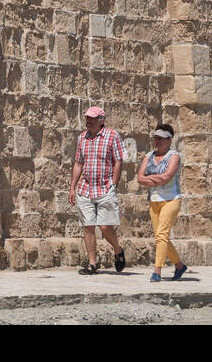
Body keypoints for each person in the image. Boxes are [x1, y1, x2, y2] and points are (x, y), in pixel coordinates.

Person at [68, 106, 127, 275]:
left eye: (92, 118)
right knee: (88, 226)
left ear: (101, 121)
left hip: (105, 188)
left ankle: (117, 250)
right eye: (87, 118)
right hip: (86, 189)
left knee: (105, 226)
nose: (88, 121)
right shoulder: (82, 138)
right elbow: (78, 163)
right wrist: (72, 187)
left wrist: (113, 184)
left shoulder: (112, 136)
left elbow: (118, 161)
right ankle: (92, 264)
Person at [137, 122, 188, 282]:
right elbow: (140, 178)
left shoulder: (174, 156)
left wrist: (149, 179)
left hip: (171, 200)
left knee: (161, 235)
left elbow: (167, 177)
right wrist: (156, 180)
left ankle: (157, 271)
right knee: (161, 237)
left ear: (170, 140)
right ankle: (179, 266)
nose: (157, 141)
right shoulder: (149, 156)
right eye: (156, 138)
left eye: (161, 138)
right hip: (154, 201)